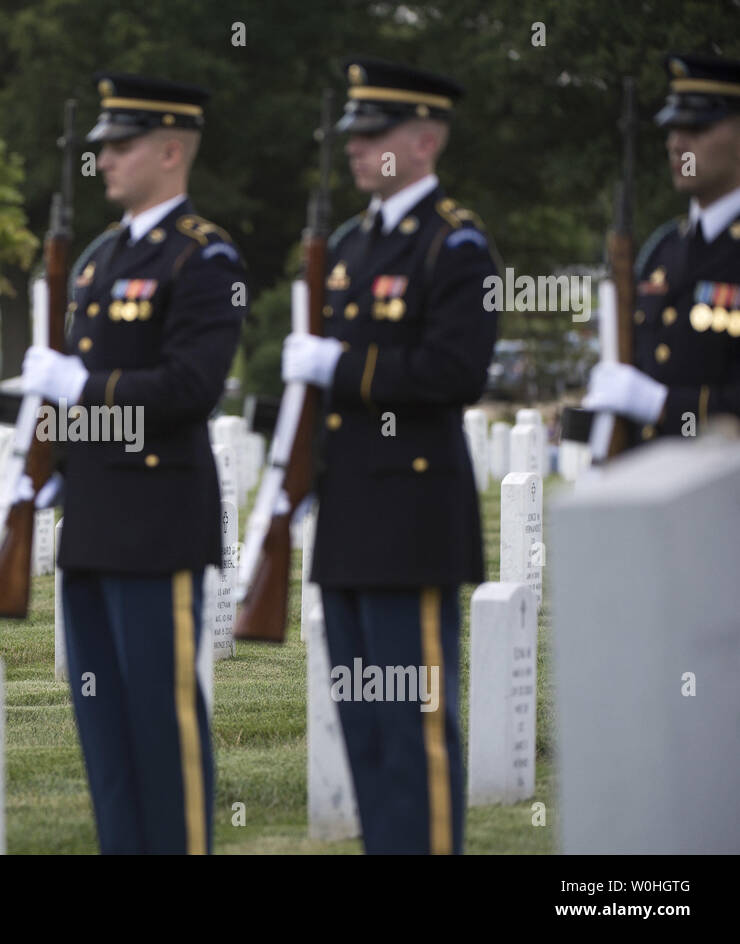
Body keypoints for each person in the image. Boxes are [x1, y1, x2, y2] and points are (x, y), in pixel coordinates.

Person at [19, 74, 245, 853]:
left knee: (161, 728)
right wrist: (46, 466)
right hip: (89, 526)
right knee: (106, 741)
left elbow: (189, 390)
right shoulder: (96, 260)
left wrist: (83, 389)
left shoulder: (205, 258)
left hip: (157, 527)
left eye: (121, 146)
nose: (104, 160)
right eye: (102, 146)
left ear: (171, 150)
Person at [281, 58, 499, 853]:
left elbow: (453, 374)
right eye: (353, 132)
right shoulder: (345, 247)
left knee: (414, 732)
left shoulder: (456, 244)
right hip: (346, 520)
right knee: (365, 730)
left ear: (426, 139)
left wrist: (337, 367)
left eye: (373, 133)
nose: (354, 146)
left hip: (412, 523)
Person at [583, 53, 740, 440]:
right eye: (672, 129)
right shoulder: (663, 249)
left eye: (695, 128)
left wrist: (662, 406)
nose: (675, 144)